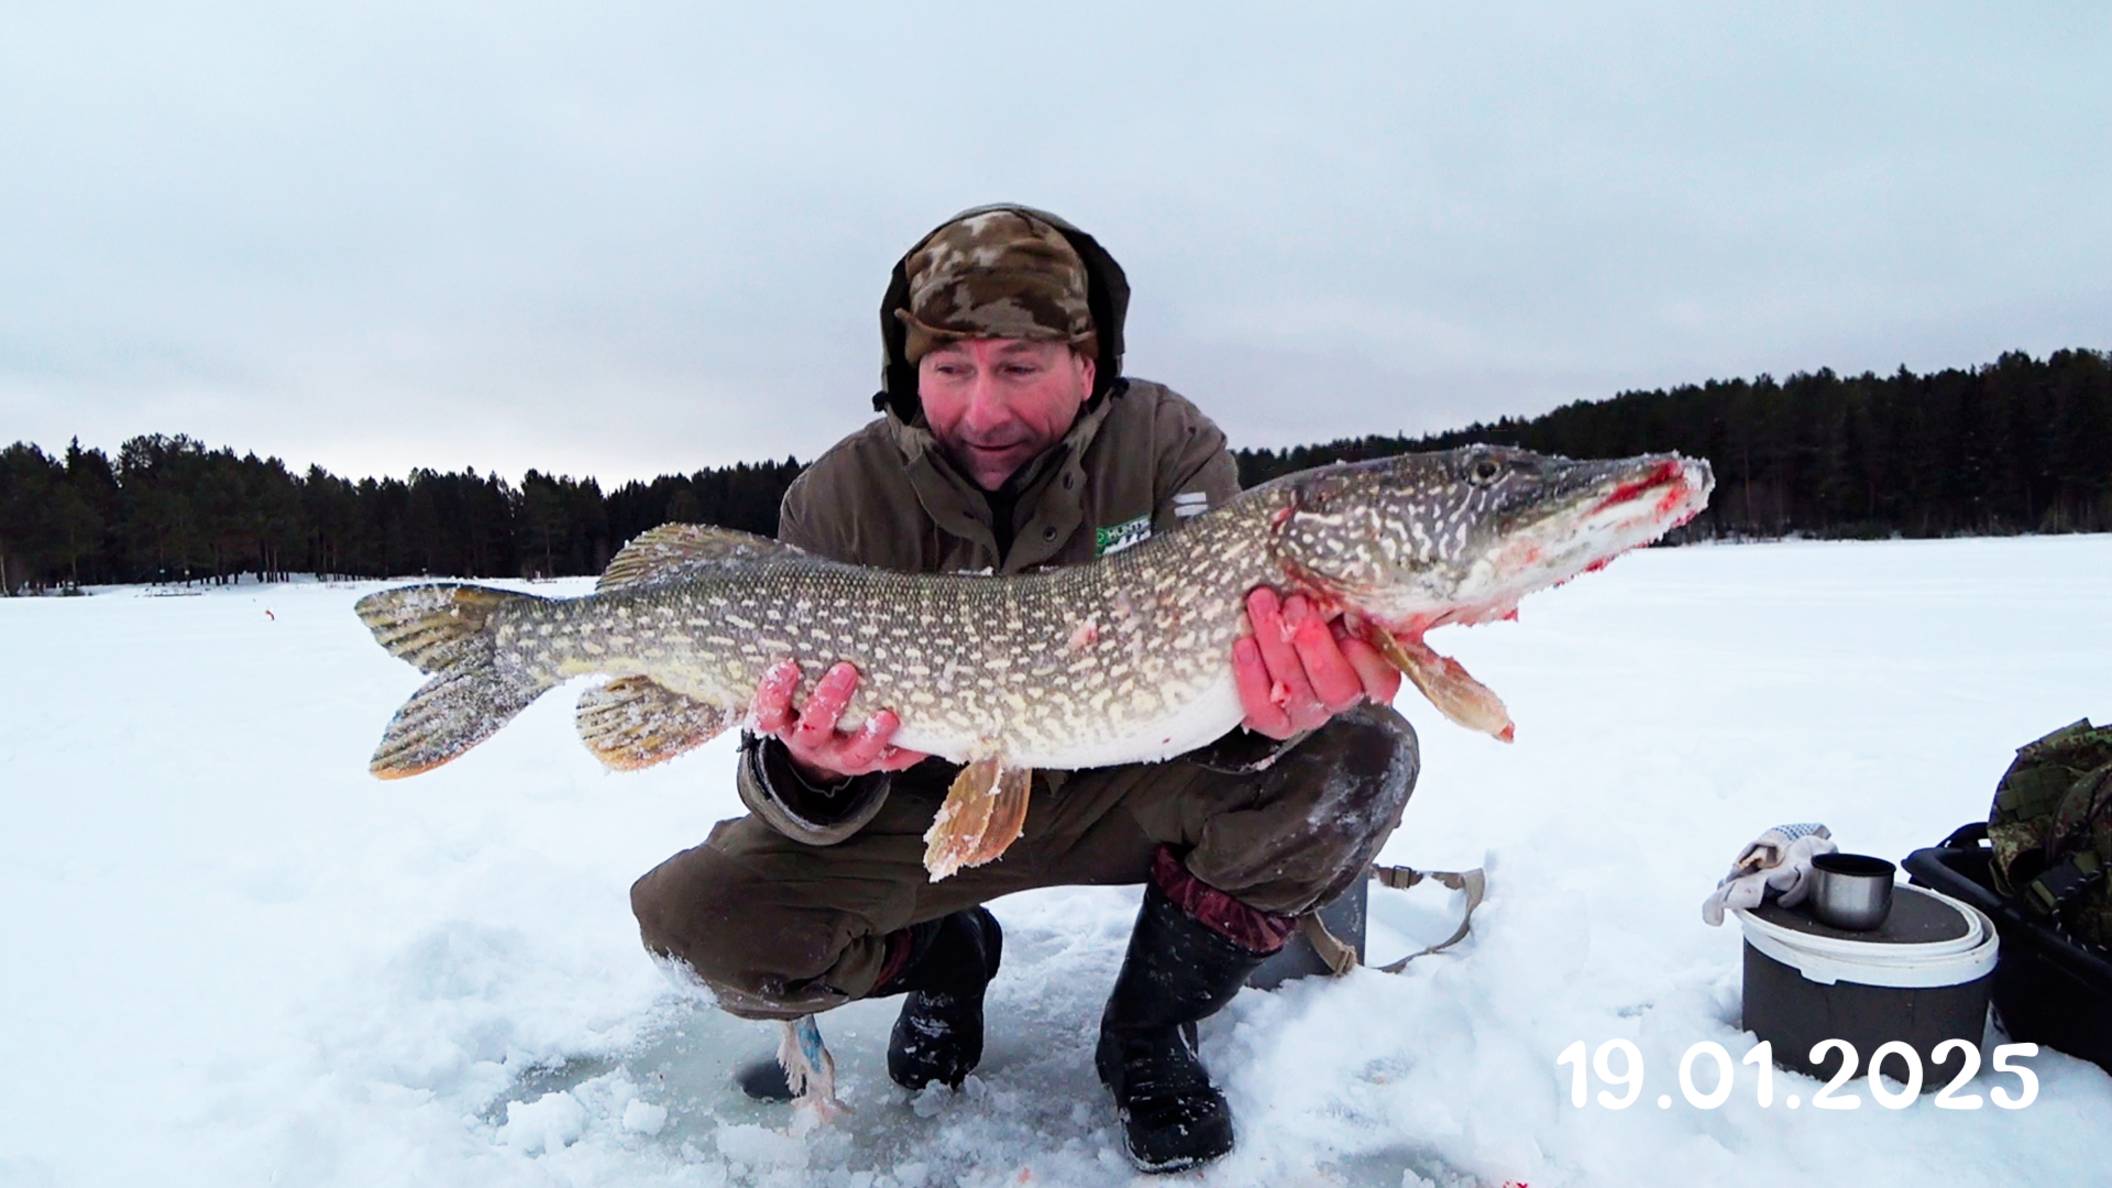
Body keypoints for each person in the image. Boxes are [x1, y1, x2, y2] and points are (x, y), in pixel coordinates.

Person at [629, 205, 1419, 1173]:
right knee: (702, 922)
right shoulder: (837, 498)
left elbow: (1215, 678)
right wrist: (814, 769)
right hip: (921, 813)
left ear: (1087, 363)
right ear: (910, 368)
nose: (983, 409)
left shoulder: (1168, 449)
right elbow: (773, 755)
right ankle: (948, 956)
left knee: (1358, 748)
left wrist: (1270, 718)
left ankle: (1150, 1029)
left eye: (1019, 367)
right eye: (951, 368)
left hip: (1128, 782)